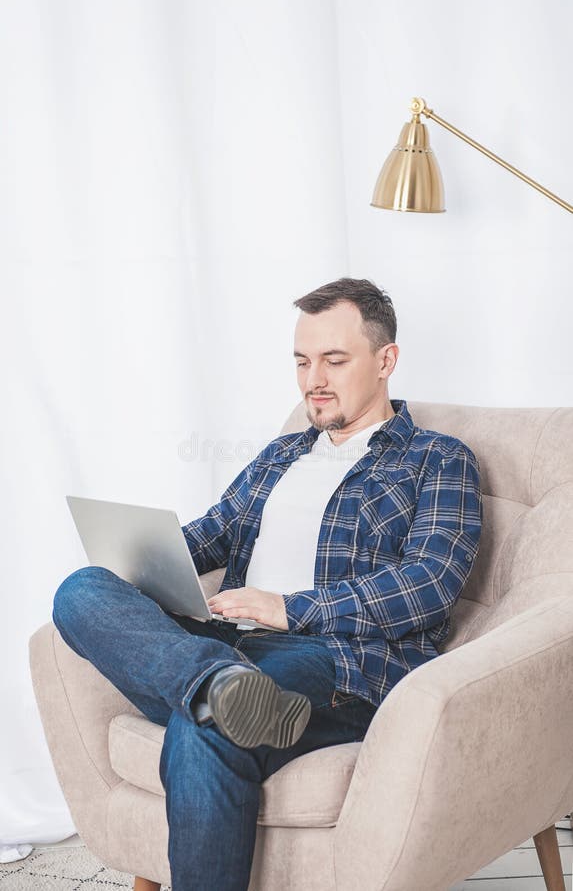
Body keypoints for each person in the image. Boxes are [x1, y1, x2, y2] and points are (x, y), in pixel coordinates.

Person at [52, 277, 482, 891]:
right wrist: (141, 558)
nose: (314, 380)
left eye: (334, 360)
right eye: (303, 362)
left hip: (334, 661)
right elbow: (212, 535)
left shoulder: (437, 459)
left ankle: (215, 691)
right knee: (80, 589)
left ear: (386, 360)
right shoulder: (282, 455)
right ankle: (216, 681)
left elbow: (428, 584)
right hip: (225, 645)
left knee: (204, 725)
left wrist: (290, 608)